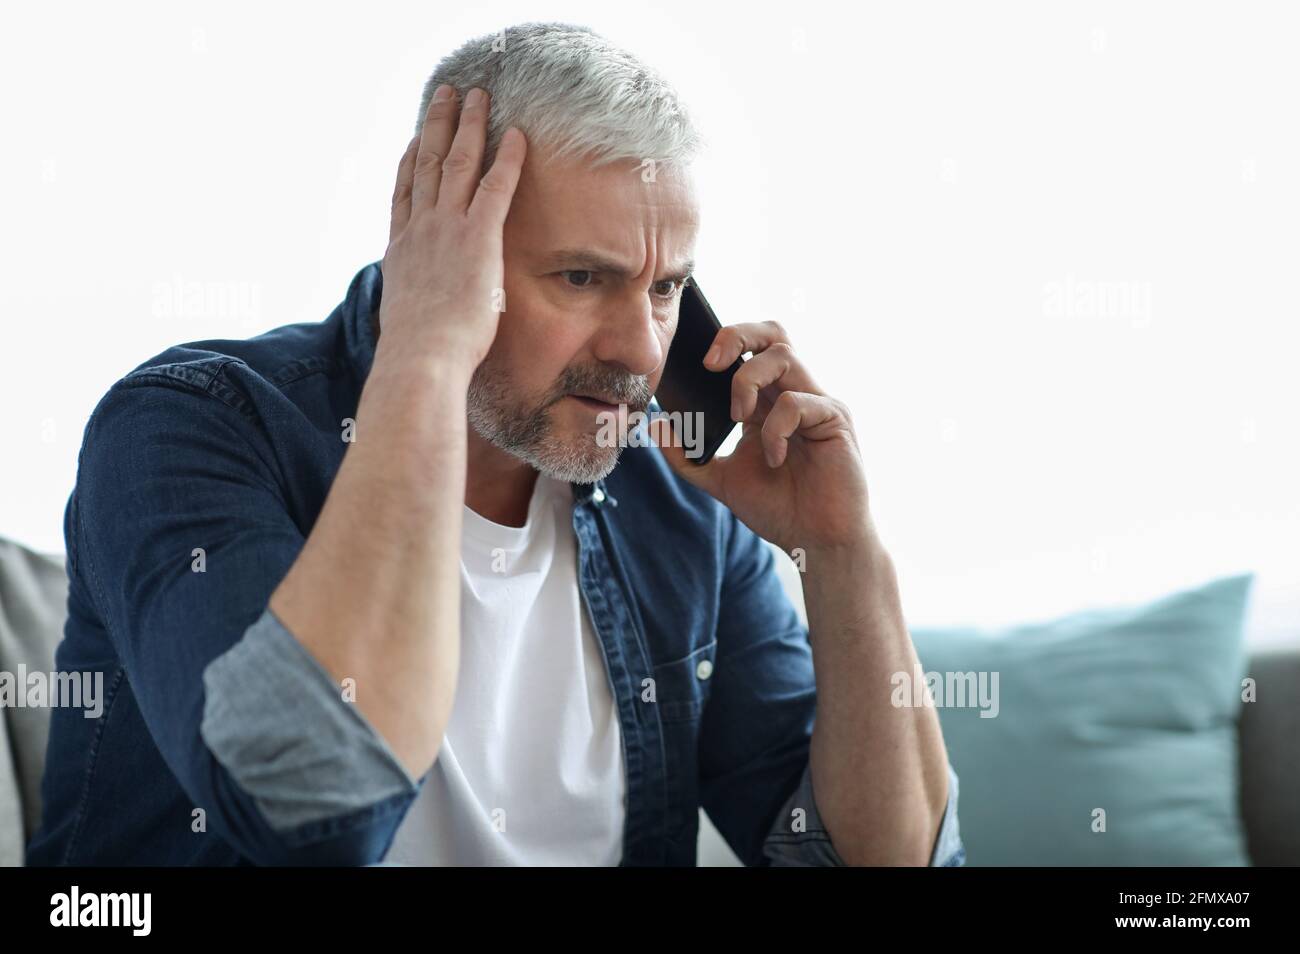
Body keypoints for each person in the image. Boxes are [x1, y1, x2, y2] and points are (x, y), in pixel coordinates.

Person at [28, 21, 963, 866]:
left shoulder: (678, 492)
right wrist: (427, 354)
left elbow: (867, 863)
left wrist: (842, 554)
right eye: (582, 277)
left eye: (667, 287)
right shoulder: (190, 428)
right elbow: (308, 813)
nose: (643, 349)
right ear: (435, 241)